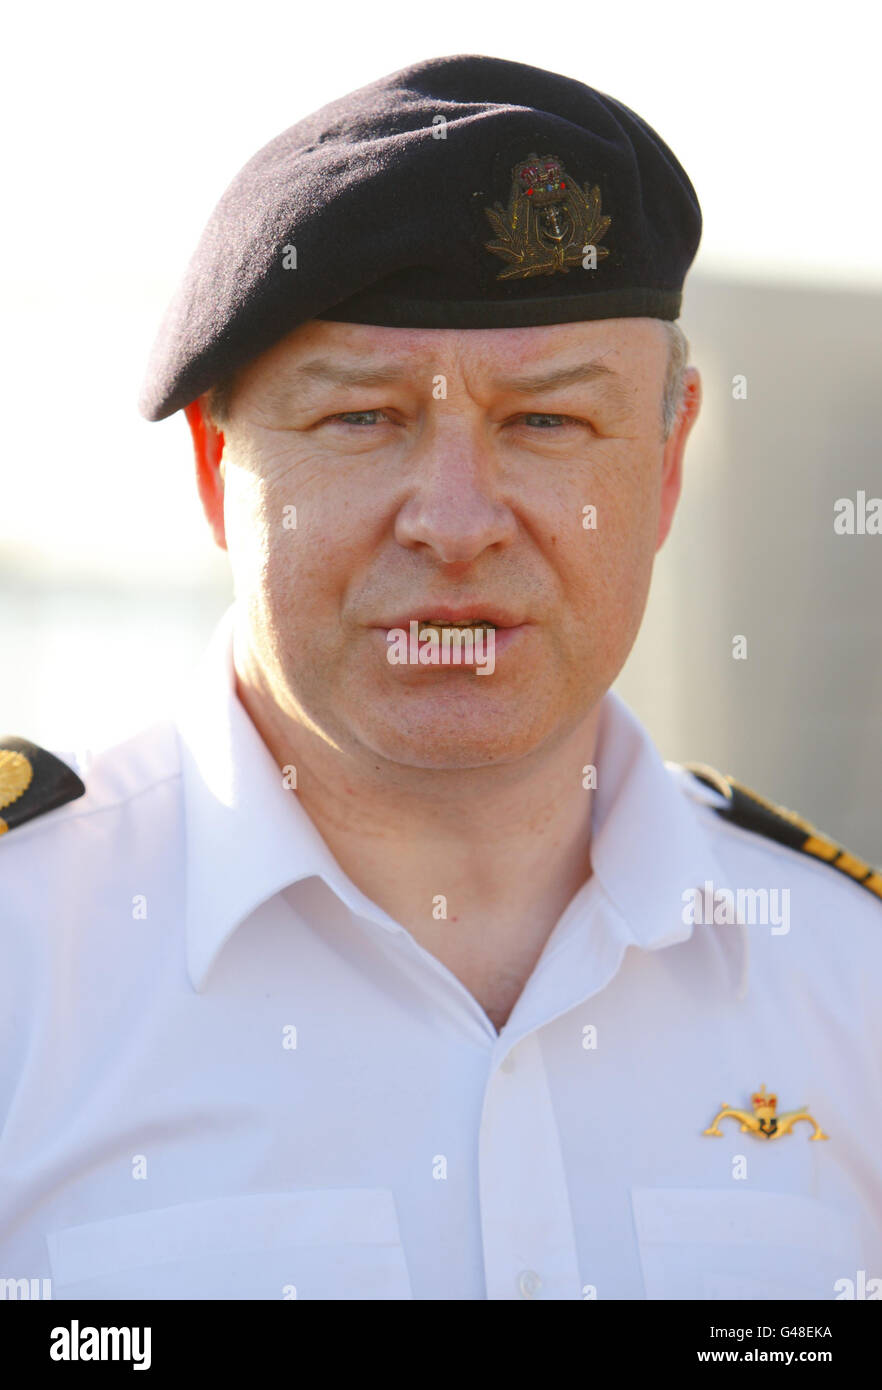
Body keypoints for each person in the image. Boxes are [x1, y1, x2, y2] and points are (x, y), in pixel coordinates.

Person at [1, 55, 880, 1303]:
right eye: (361, 418)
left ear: (670, 467)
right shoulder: (23, 966)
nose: (457, 522)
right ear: (215, 471)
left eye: (549, 423)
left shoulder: (850, 987)